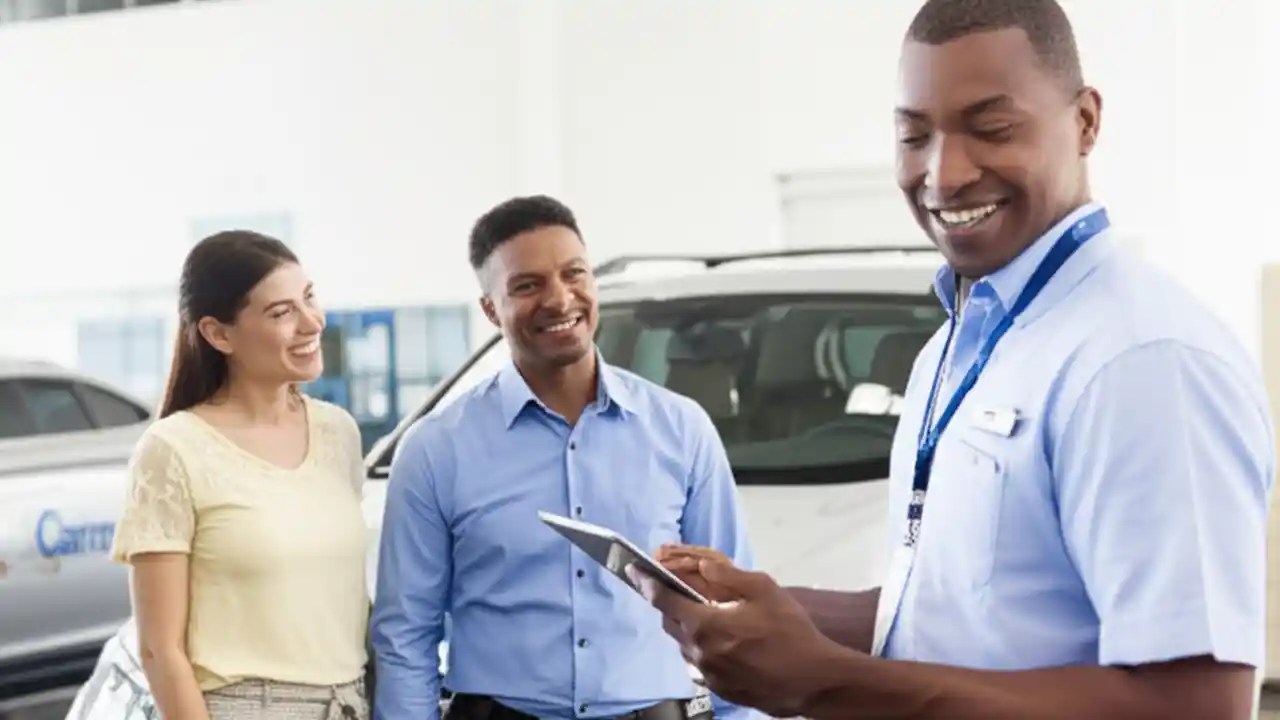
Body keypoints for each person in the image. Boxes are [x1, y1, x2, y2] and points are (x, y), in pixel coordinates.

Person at [635, 0, 1276, 718]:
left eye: (992, 129)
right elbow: (959, 620)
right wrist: (769, 609)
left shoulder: (1142, 361)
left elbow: (1193, 707)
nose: (945, 174)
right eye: (914, 136)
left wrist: (823, 681)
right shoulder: (958, 341)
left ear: (1087, 121)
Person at [370, 195, 755, 720]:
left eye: (574, 274)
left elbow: (733, 610)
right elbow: (406, 635)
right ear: (490, 309)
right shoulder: (437, 448)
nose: (559, 299)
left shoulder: (681, 428)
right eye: (527, 286)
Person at [111, 231, 371, 720]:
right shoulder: (172, 450)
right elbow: (159, 651)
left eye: (309, 298)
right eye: (281, 313)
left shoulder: (339, 433)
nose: (312, 322)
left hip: (351, 703)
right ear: (219, 334)